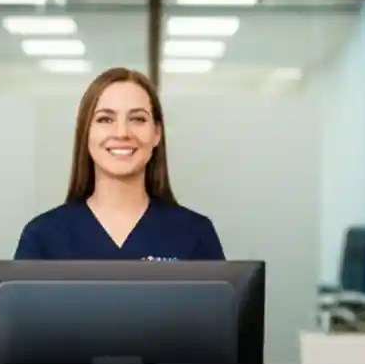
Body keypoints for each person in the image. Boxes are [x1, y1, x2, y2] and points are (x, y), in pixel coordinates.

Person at [14, 67, 225, 261]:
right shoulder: (43, 237)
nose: (122, 133)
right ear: (85, 132)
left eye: (138, 119)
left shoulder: (195, 234)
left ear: (157, 133)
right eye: (105, 119)